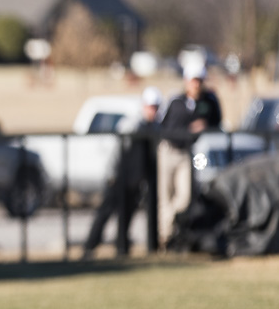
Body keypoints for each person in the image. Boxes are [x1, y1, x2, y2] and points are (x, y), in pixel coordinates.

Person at [82, 87, 162, 259]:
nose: (152, 111)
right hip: (119, 177)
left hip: (136, 180)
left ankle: (122, 249)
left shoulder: (156, 128)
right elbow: (116, 152)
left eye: (155, 107)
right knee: (105, 212)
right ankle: (89, 247)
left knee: (127, 215)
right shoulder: (130, 125)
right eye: (150, 106)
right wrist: (111, 174)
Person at [158, 57, 222, 247]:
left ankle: (170, 225)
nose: (196, 84)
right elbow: (163, 127)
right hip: (168, 150)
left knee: (184, 198)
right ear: (186, 81)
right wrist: (188, 129)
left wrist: (204, 125)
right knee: (165, 196)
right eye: (193, 80)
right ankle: (165, 238)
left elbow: (216, 121)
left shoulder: (208, 101)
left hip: (186, 153)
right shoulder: (176, 101)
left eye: (199, 80)